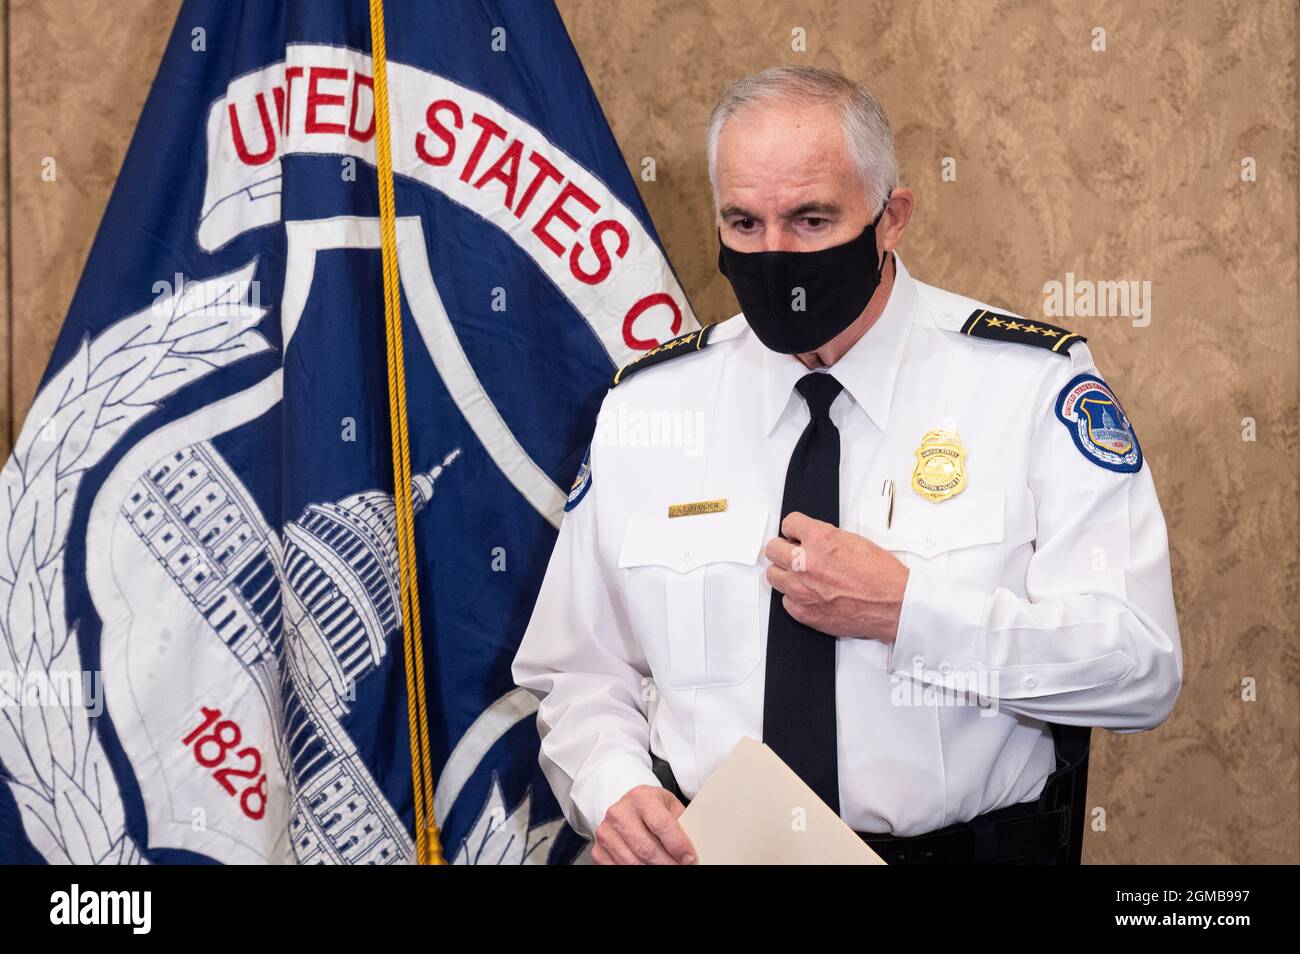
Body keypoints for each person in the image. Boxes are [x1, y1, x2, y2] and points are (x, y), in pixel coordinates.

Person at [512, 65, 1182, 865]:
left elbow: (1139, 666)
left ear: (890, 217)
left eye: (810, 219)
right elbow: (577, 671)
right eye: (744, 224)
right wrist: (613, 786)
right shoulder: (649, 408)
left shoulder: (1031, 388)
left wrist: (908, 611)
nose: (775, 255)